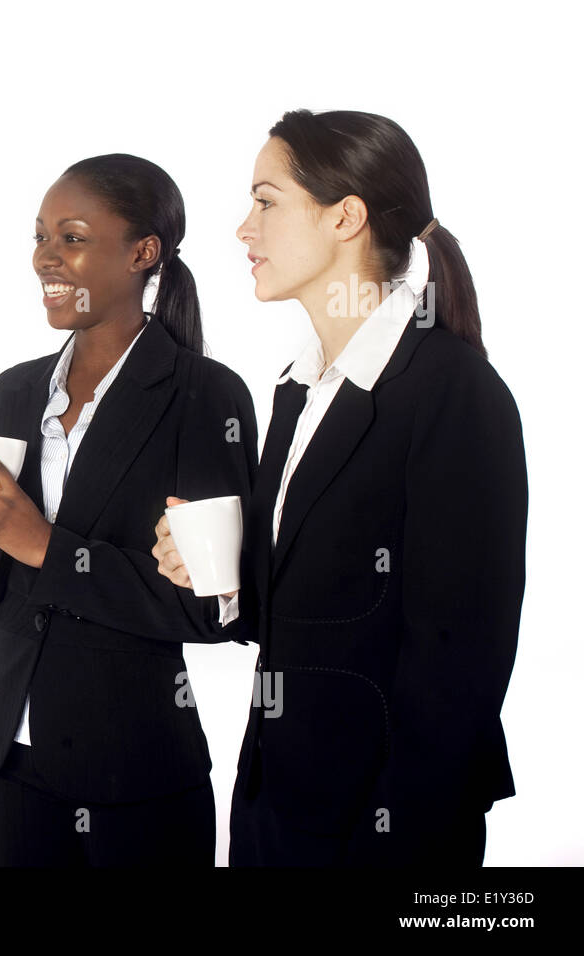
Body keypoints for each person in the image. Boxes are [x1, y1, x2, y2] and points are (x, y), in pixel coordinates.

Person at [156, 109, 528, 865]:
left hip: (383, 824)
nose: (242, 229)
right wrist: (222, 574)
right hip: (276, 805)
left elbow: (460, 668)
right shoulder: (299, 391)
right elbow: (319, 617)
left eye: (266, 201)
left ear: (345, 217)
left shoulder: (453, 393)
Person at [0, 154, 257, 866]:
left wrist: (44, 543)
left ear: (143, 253)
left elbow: (214, 611)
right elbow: (5, 597)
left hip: (132, 767)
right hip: (6, 754)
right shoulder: (15, 391)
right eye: (40, 237)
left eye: (71, 238)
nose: (45, 257)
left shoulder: (206, 398)